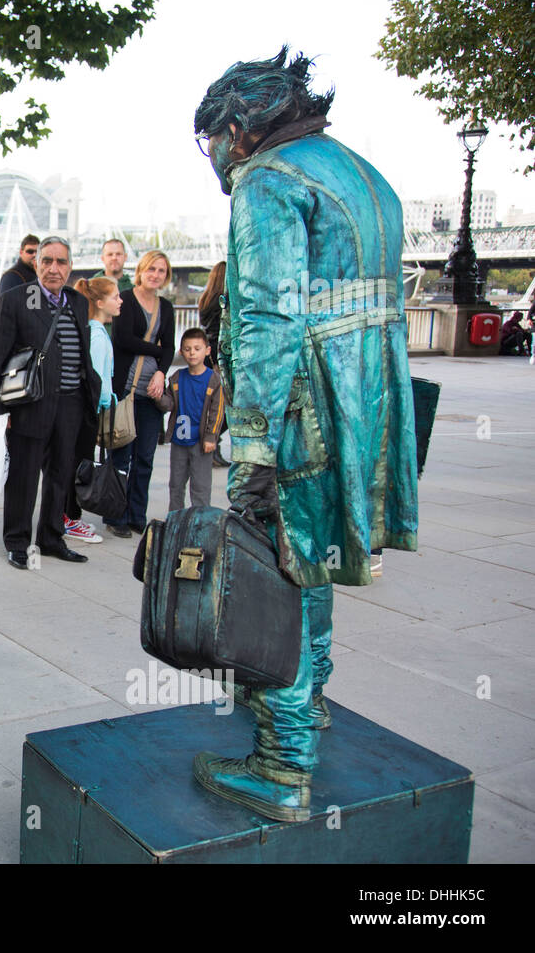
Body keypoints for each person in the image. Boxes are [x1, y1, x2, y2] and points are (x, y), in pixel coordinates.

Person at [190, 48, 418, 821]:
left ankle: (283, 763)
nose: (215, 158)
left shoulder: (268, 180)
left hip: (299, 409)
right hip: (361, 403)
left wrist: (246, 432)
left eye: (212, 139)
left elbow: (268, 313)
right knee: (313, 561)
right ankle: (308, 708)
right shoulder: (363, 172)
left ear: (240, 126)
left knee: (269, 572)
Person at [0, 236, 102, 569]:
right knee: (23, 476)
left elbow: (81, 350)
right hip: (30, 404)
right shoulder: (15, 300)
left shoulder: (78, 302)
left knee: (60, 476)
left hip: (71, 405)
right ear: (36, 264)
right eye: (47, 261)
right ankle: (18, 542)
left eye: (61, 262)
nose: (54, 268)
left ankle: (51, 538)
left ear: (70, 266)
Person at [104, 250, 176, 539]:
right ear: (141, 271)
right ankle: (115, 514)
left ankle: (136, 514)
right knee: (121, 455)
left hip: (151, 392)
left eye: (161, 271)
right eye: (151, 270)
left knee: (145, 457)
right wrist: (157, 350)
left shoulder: (167, 308)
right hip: (125, 388)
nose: (155, 275)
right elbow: (123, 339)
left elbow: (170, 347)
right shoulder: (126, 298)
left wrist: (161, 371)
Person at [63, 276, 121, 542]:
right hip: (88, 411)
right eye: (115, 297)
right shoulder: (97, 335)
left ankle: (68, 517)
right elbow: (97, 379)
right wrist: (107, 401)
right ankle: (70, 519)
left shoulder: (94, 331)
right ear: (100, 302)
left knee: (76, 464)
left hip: (85, 410)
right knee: (79, 465)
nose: (120, 301)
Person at [161, 327, 224, 511]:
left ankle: (199, 524)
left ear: (207, 350)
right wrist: (157, 396)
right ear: (181, 351)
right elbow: (169, 405)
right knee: (176, 486)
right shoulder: (176, 377)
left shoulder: (214, 380)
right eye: (187, 349)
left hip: (201, 442)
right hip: (179, 442)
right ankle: (176, 522)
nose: (192, 353)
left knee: (201, 488)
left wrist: (211, 437)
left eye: (197, 348)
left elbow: (217, 411)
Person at [198, 261, 230, 466]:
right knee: (225, 407)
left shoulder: (206, 299)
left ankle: (213, 445)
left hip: (209, 357)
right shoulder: (223, 301)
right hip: (220, 358)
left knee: (217, 405)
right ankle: (212, 442)